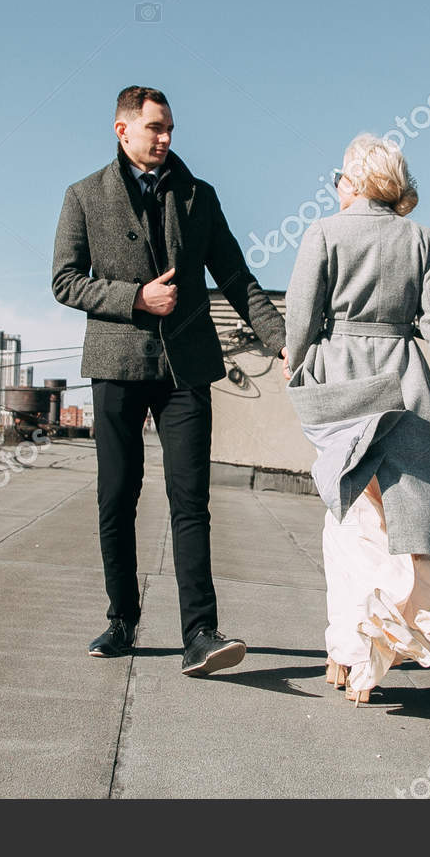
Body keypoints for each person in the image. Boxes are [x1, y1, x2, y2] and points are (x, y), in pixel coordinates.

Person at [51, 85, 288, 675]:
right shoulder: (83, 196)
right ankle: (121, 619)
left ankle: (200, 634)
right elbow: (65, 281)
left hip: (186, 370)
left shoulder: (198, 195)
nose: (165, 139)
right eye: (155, 128)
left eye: (171, 129)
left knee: (191, 500)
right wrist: (136, 298)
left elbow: (236, 274)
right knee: (117, 496)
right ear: (121, 129)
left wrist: (283, 341)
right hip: (116, 368)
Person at [284, 134, 430, 705]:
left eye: (339, 174)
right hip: (405, 383)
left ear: (354, 179)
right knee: (401, 523)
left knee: (349, 523)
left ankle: (346, 652)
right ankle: (367, 649)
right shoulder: (421, 238)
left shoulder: (325, 232)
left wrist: (296, 368)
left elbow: (302, 317)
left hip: (342, 385)